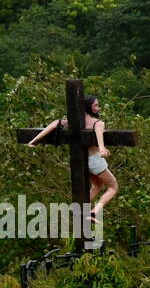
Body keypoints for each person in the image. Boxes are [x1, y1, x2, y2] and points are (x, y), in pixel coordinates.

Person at [26, 95, 118, 223]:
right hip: (95, 160)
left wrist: (34, 140)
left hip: (80, 161)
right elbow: (99, 136)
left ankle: (80, 209)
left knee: (97, 185)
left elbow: (54, 124)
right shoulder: (97, 123)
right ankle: (94, 212)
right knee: (113, 186)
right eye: (96, 105)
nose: (98, 107)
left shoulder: (74, 123)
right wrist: (102, 149)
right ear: (88, 107)